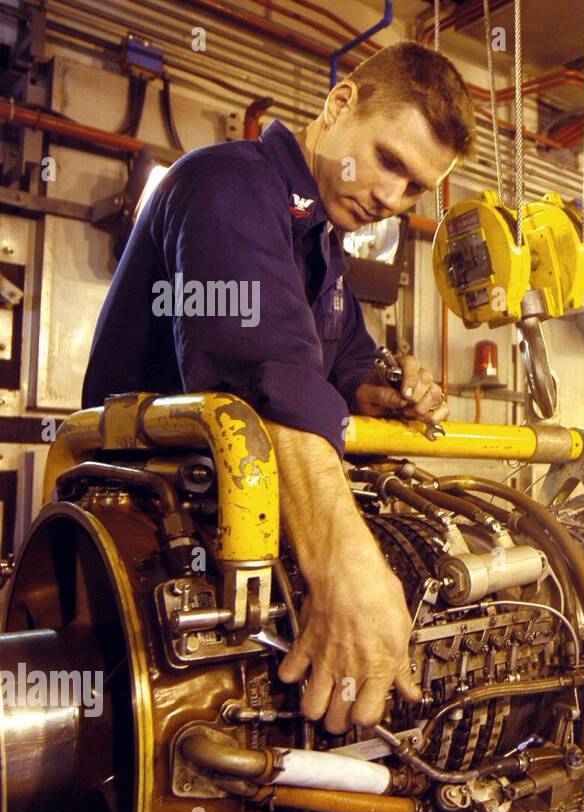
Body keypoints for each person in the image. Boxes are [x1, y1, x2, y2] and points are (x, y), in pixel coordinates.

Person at [81, 41, 476, 734]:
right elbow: (265, 373)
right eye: (388, 161)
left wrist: (383, 389)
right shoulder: (226, 186)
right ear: (341, 101)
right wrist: (347, 569)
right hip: (129, 549)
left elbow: (346, 359)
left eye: (416, 187)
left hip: (217, 533)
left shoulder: (321, 245)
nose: (392, 198)